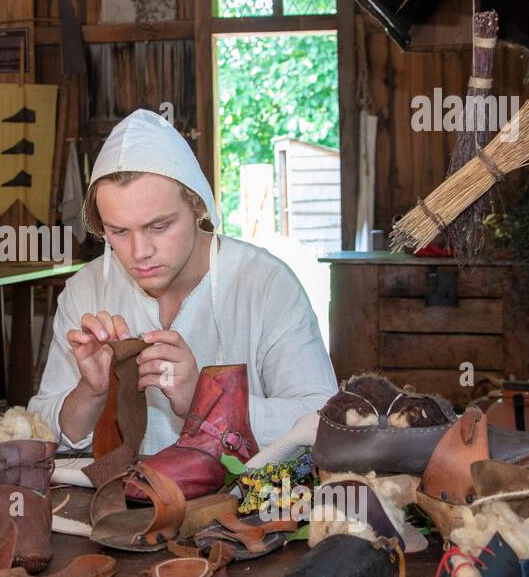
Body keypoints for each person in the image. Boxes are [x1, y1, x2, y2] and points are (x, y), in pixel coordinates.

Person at [28, 108, 336, 459]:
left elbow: (323, 422)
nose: (139, 252)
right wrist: (91, 391)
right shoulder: (87, 289)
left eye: (159, 226)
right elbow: (38, 435)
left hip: (245, 507)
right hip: (118, 506)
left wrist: (204, 401)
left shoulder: (265, 285)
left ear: (197, 206)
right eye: (119, 231)